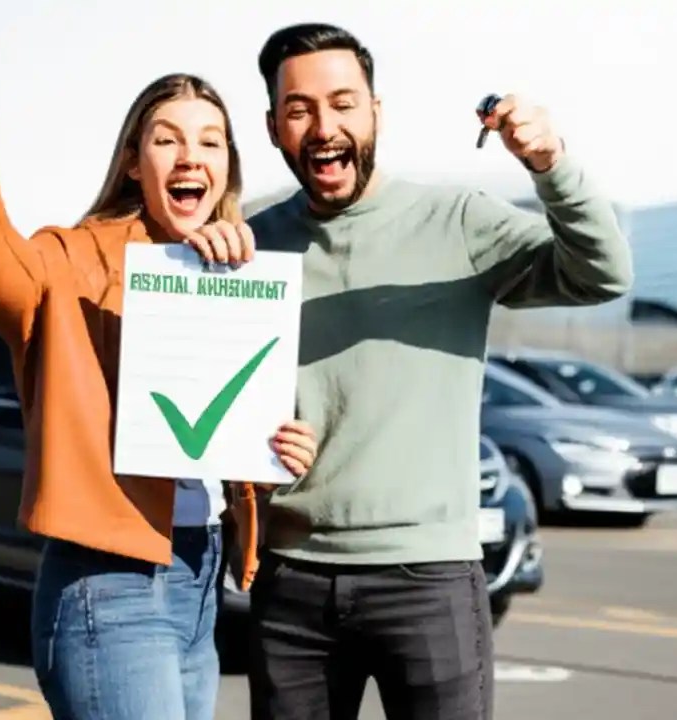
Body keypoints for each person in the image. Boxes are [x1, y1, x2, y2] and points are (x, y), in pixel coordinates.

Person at [184, 22, 633, 720]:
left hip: (430, 581)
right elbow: (192, 407)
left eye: (342, 103)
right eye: (299, 110)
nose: (323, 126)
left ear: (375, 114)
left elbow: (603, 272)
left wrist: (552, 165)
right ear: (274, 127)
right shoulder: (249, 246)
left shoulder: (456, 221)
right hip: (292, 586)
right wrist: (196, 256)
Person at [0, 72, 319, 720]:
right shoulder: (72, 260)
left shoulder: (237, 272)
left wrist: (279, 452)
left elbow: (219, 438)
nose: (192, 156)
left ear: (227, 168)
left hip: (200, 575)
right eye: (168, 140)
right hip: (108, 586)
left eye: (211, 143)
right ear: (134, 163)